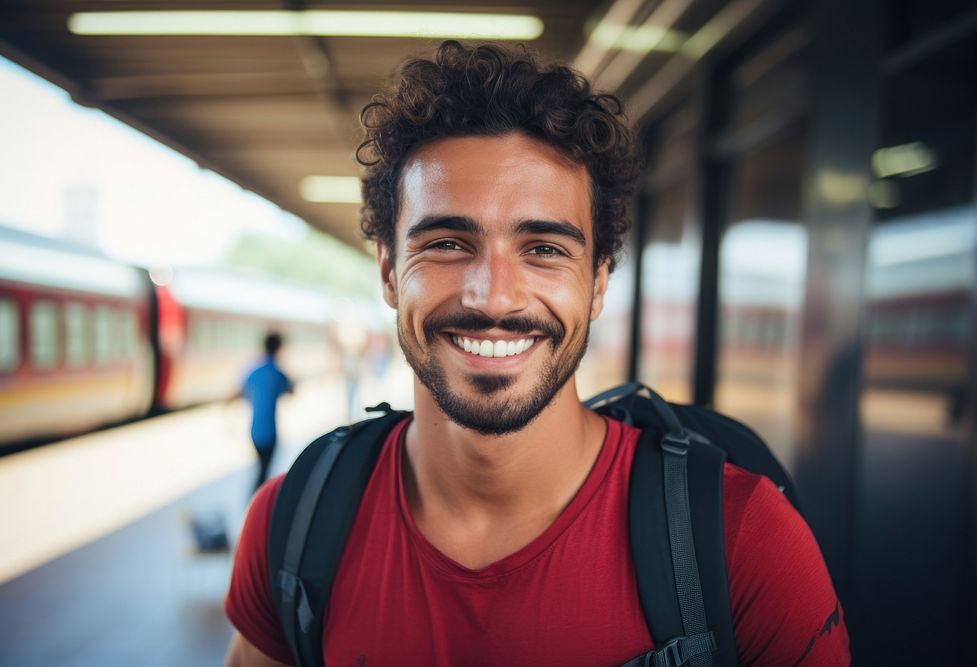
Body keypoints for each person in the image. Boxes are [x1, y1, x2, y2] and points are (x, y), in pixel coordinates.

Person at [224, 41, 850, 666]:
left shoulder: (747, 539)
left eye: (545, 249)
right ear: (389, 272)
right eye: (445, 242)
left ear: (599, 280)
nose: (493, 295)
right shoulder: (290, 526)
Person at [242, 331, 293, 493]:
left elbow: (244, 392)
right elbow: (291, 390)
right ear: (279, 348)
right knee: (264, 472)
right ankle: (256, 503)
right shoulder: (278, 374)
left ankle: (254, 501)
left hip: (254, 431)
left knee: (260, 469)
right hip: (270, 432)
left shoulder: (254, 372)